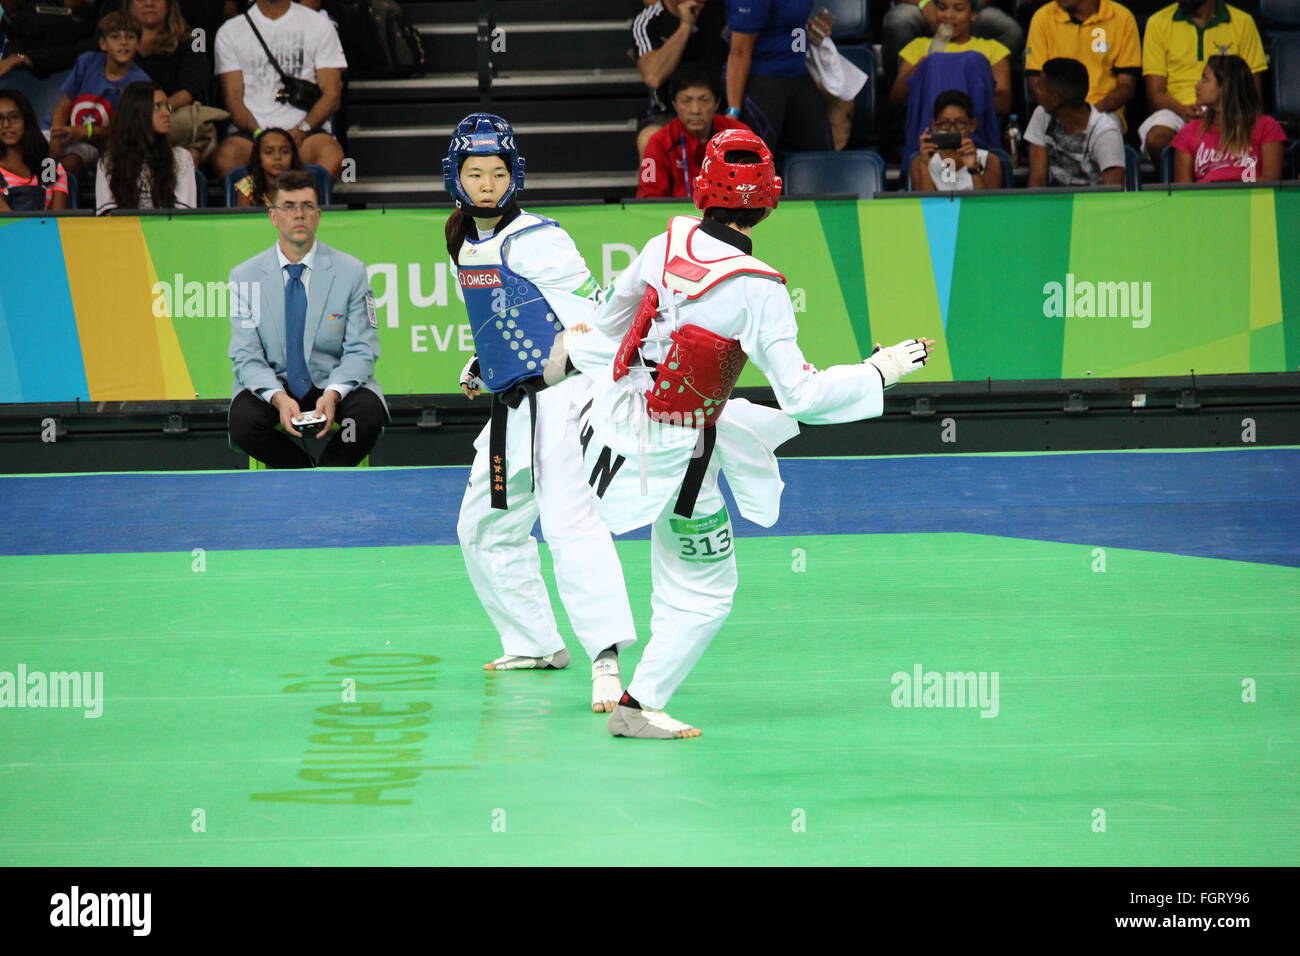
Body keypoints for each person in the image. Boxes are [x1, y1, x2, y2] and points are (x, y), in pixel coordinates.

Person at [566, 128, 934, 738]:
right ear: (769, 201)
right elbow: (803, 397)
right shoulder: (759, 288)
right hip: (684, 452)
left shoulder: (663, 244)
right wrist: (879, 370)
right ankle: (637, 707)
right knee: (708, 593)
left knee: (675, 572)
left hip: (618, 425)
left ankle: (641, 695)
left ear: (702, 188)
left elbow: (606, 319)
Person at [444, 112, 638, 713]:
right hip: (510, 410)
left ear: (515, 176)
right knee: (483, 526)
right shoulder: (462, 240)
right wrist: (485, 363)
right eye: (474, 173)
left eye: (496, 173)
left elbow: (595, 316)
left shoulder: (539, 240)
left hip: (561, 402)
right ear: (455, 177)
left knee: (569, 527)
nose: (485, 185)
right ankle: (533, 642)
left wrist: (564, 364)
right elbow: (504, 316)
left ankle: (606, 660)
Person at [227, 168, 388, 468]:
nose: (298, 214)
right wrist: (278, 398)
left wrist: (333, 394)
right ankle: (301, 472)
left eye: (307, 206)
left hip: (329, 382)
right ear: (273, 216)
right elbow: (246, 356)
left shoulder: (351, 271)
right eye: (289, 207)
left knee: (365, 418)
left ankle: (329, 474)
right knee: (245, 424)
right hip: (275, 384)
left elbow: (361, 350)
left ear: (318, 214)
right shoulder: (244, 276)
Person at [211, 0, 346, 182]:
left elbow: (332, 95)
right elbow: (232, 99)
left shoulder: (319, 24)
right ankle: (259, 206)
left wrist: (302, 130)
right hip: (252, 133)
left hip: (305, 132)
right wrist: (261, 135)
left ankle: (303, 206)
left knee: (332, 156)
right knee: (225, 158)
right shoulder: (230, 31)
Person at [1139, 0, 1267, 164]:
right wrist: (1183, 110)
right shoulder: (1158, 22)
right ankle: (1180, 185)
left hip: (1228, 110)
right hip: (1176, 110)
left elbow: (1252, 92)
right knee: (1157, 138)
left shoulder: (1243, 22)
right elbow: (1155, 93)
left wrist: (1221, 112)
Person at [48, 10, 152, 179]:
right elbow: (64, 105)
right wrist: (55, 138)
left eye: (130, 37)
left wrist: (85, 131)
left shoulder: (141, 82)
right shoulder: (87, 61)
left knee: (71, 163)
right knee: (30, 152)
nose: (123, 43)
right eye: (115, 37)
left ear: (138, 44)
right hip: (59, 130)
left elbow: (124, 129)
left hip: (93, 143)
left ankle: (60, 203)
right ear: (103, 44)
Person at [724, 0, 832, 153]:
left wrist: (810, 31)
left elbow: (792, 20)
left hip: (797, 72)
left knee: (821, 151)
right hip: (763, 79)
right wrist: (734, 109)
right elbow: (739, 52)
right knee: (756, 158)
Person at [633, 0, 729, 158]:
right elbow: (653, 77)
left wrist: (733, 111)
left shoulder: (724, 12)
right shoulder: (648, 21)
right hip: (669, 113)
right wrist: (685, 27)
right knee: (649, 139)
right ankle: (652, 184)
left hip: (718, 111)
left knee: (743, 138)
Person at [1024, 0, 1141, 130]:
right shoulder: (1043, 17)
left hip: (1104, 111)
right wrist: (1063, 114)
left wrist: (1089, 114)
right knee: (1039, 126)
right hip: (1054, 110)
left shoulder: (1122, 18)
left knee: (1107, 129)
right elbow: (1035, 81)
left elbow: (1126, 85)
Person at [637, 63, 748, 198]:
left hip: (727, 216)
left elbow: (755, 189)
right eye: (686, 101)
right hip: (677, 217)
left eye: (704, 100)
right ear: (675, 105)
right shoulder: (658, 143)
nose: (695, 110)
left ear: (716, 103)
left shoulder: (740, 135)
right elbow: (649, 197)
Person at [1171, 54, 1284, 182]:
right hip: (1206, 201)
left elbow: (1271, 185)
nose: (1197, 85)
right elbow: (1183, 193)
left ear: (1226, 86)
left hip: (1250, 200)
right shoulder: (1189, 131)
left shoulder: (1267, 127)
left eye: (1205, 79)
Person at [891, 0, 1012, 115]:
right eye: (942, 8)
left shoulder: (993, 49)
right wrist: (920, 69)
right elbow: (896, 99)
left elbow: (1003, 104)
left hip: (973, 124)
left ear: (973, 15)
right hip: (929, 126)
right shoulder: (917, 46)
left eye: (958, 9)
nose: (948, 15)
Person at [94, 80, 196, 212]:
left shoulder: (182, 158)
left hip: (169, 232)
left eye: (167, 106)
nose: (167, 113)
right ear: (136, 113)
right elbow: (108, 219)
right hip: (125, 232)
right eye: (157, 107)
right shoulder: (108, 162)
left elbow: (184, 218)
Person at [1025, 56, 1125, 186]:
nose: (1037, 93)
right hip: (1056, 203)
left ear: (1054, 100)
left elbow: (1113, 196)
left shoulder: (1105, 133)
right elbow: (1036, 180)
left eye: (1040, 88)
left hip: (1094, 204)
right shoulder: (1042, 115)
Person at [882, 0, 1024, 90]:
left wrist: (964, 6)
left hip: (969, 7)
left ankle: (984, 88)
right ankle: (903, 107)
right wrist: (926, 3)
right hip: (921, 7)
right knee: (899, 21)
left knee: (1010, 31)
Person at [909, 89, 1002, 189]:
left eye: (960, 123)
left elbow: (986, 203)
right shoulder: (919, 162)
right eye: (944, 123)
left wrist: (973, 168)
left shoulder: (990, 160)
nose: (952, 130)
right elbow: (925, 203)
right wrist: (924, 164)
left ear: (972, 125)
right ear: (934, 126)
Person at [0, 88, 70, 210]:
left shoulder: (49, 166)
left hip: (47, 229)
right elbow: (9, 223)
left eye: (14, 117)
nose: (6, 124)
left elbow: (58, 220)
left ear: (27, 121)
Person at [233, 126, 302, 206]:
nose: (277, 157)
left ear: (293, 156)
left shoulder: (303, 184)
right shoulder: (248, 186)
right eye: (269, 152)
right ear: (259, 156)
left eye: (285, 152)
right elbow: (243, 218)